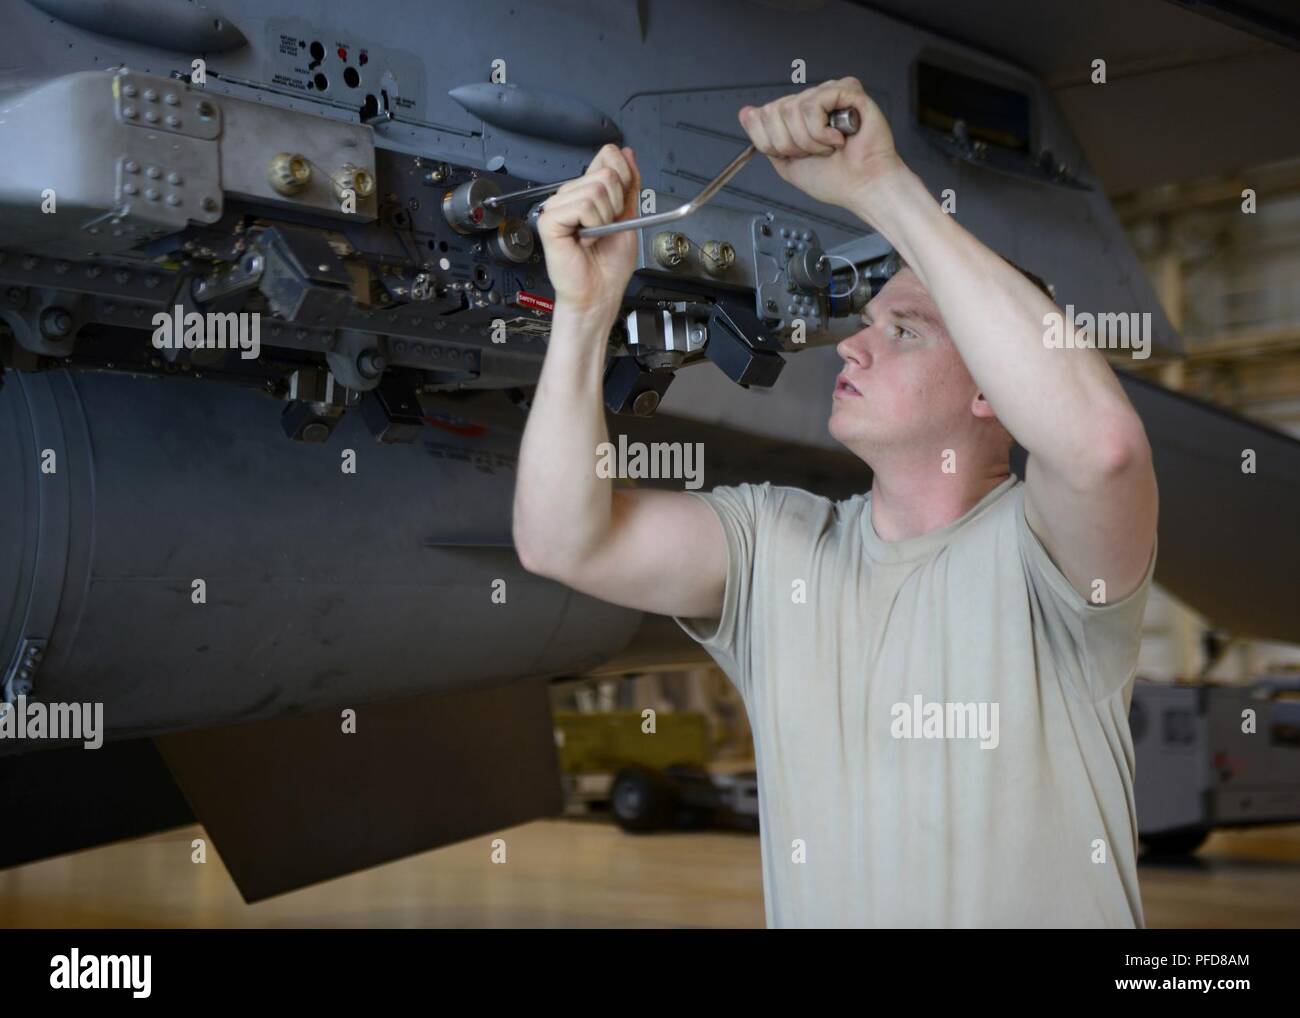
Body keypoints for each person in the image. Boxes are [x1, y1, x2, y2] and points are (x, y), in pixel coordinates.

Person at [512, 77, 1159, 928]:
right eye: (870, 320)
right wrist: (586, 312)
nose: (853, 341)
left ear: (991, 391)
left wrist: (881, 188)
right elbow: (562, 539)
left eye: (904, 330)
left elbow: (1102, 448)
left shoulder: (1053, 560)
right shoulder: (776, 548)